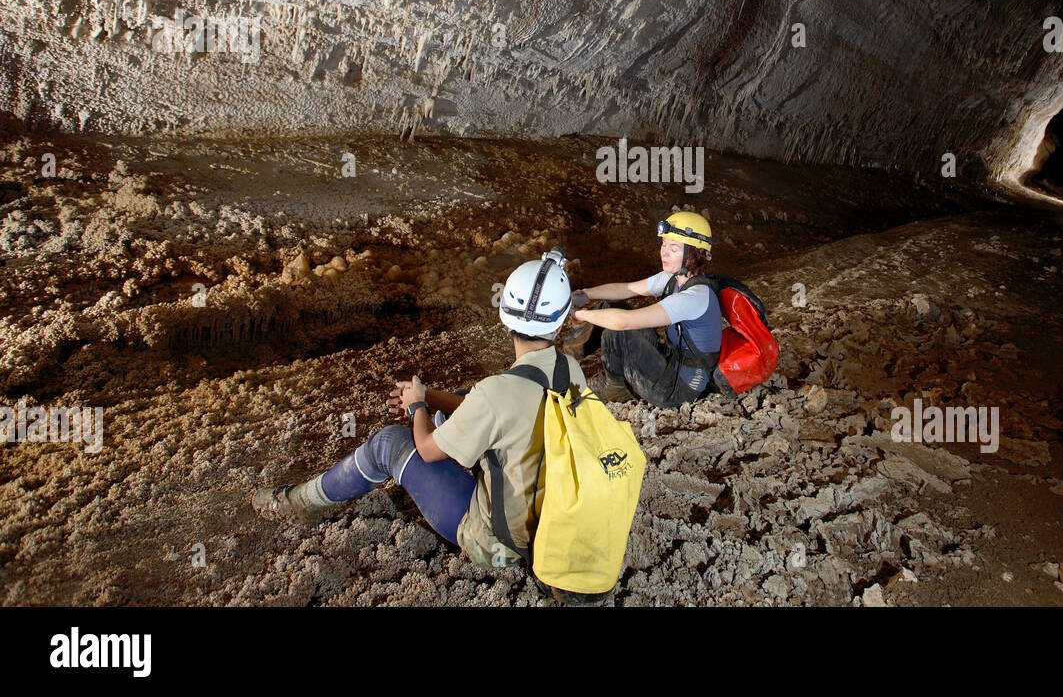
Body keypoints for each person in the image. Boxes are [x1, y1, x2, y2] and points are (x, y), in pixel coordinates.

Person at [251, 249, 587, 596]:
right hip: (552, 522)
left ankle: (296, 503)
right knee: (462, 398)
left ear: (504, 317)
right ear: (560, 323)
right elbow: (497, 407)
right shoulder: (570, 371)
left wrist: (416, 410)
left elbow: (427, 449)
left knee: (389, 444)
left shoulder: (495, 394)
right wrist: (429, 397)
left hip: (503, 546)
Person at [571, 211, 722, 408]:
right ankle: (564, 359)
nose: (664, 253)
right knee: (610, 306)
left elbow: (623, 322)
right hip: (671, 360)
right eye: (664, 244)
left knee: (619, 332)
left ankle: (614, 387)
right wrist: (584, 294)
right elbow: (625, 289)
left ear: (694, 254)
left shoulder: (696, 296)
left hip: (679, 389)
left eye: (673, 248)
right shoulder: (672, 278)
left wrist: (579, 314)